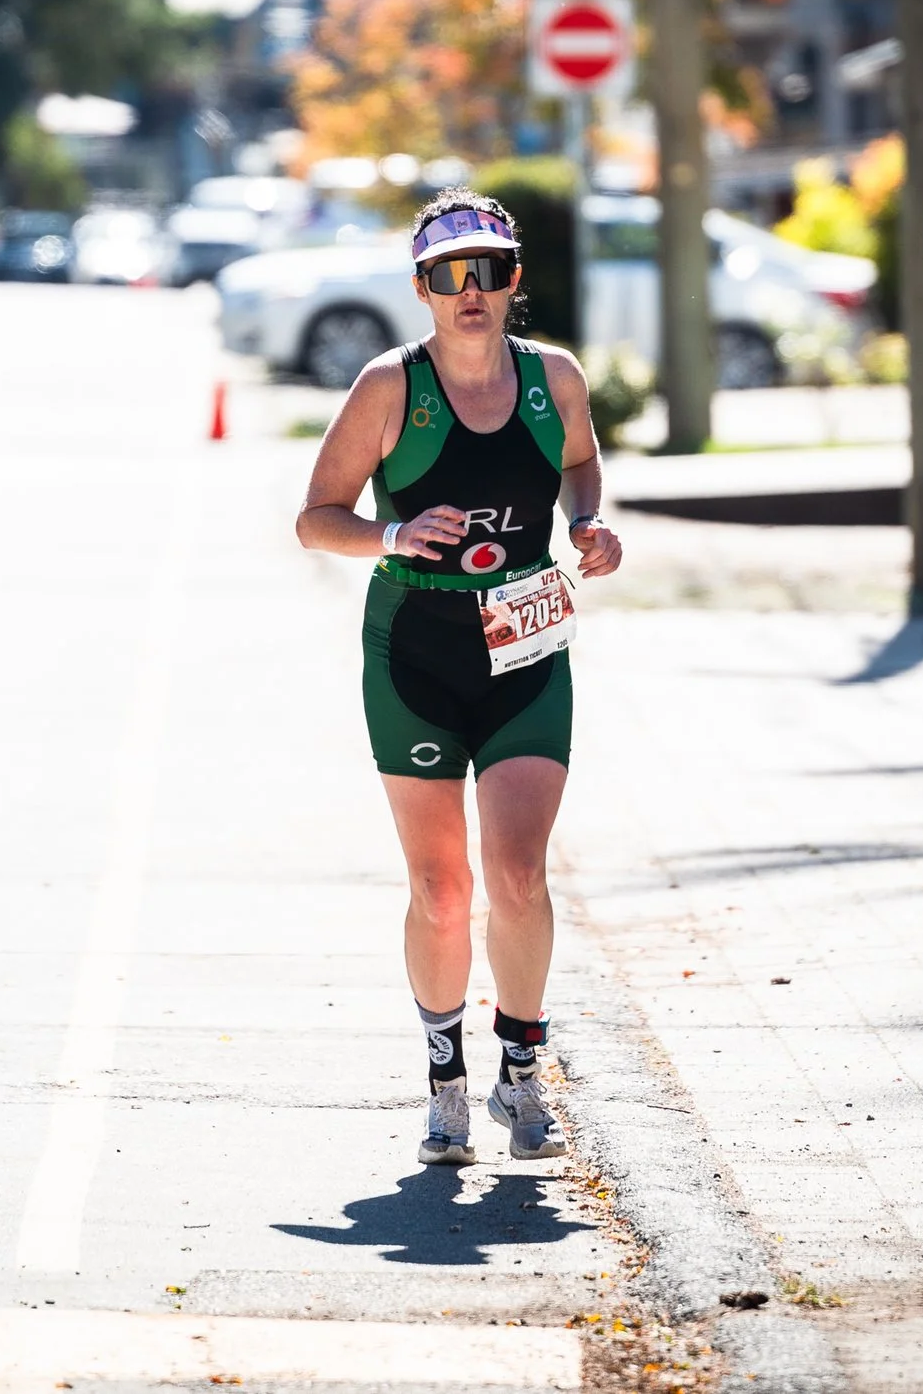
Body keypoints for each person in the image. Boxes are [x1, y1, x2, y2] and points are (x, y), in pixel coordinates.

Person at [295, 188, 623, 1166]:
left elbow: (581, 464)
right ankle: (444, 1081)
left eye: (488, 270)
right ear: (422, 288)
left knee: (519, 873)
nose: (470, 290)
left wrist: (588, 523)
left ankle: (521, 1071)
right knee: (443, 889)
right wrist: (392, 532)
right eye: (449, 274)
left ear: (514, 279)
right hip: (416, 647)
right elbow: (315, 518)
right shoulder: (389, 387)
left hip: (526, 639)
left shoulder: (554, 377)